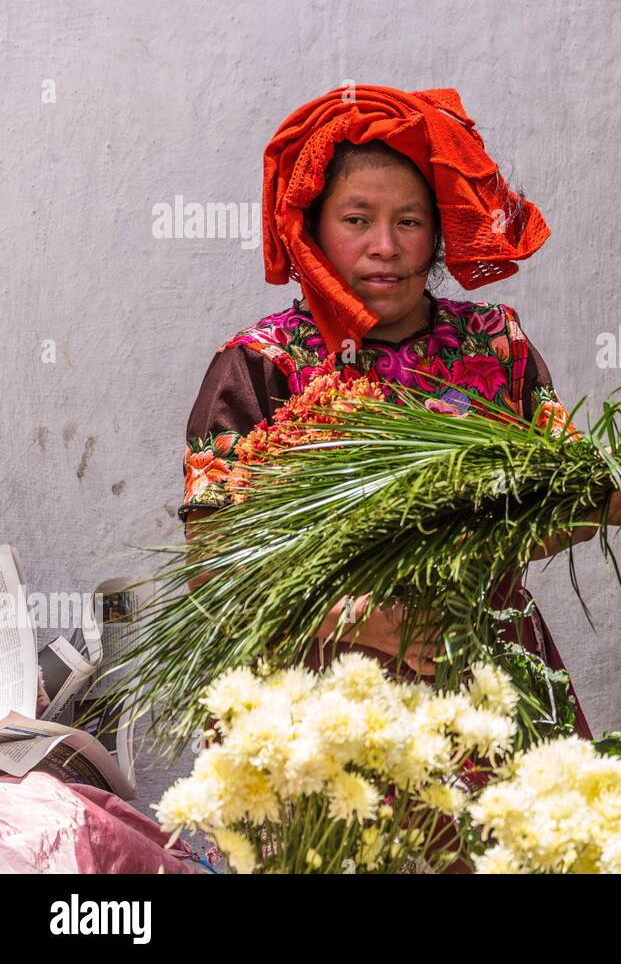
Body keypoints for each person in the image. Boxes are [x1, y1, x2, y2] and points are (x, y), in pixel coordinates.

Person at [178, 84, 591, 736]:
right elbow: (215, 559)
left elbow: (575, 504)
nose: (385, 246)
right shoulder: (262, 365)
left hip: (488, 673)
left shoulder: (496, 344)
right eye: (356, 219)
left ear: (440, 230)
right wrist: (363, 618)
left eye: (409, 220)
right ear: (310, 229)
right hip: (323, 703)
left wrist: (475, 547)